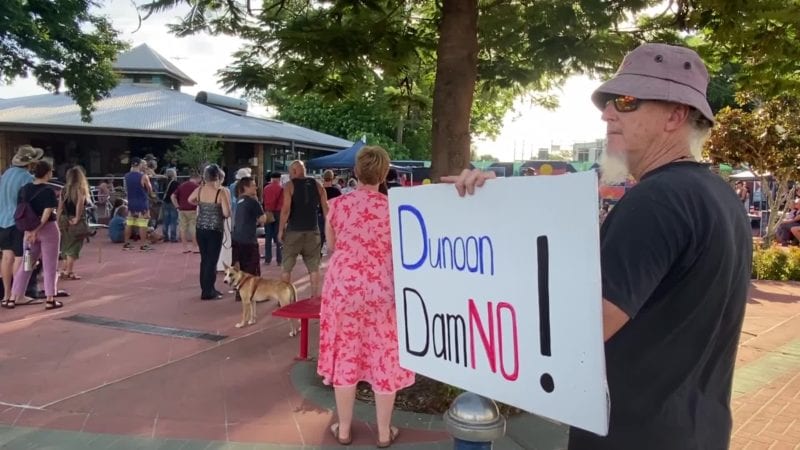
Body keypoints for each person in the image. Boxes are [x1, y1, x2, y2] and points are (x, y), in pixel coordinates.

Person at [444, 43, 751, 450]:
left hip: (634, 435)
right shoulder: (718, 196)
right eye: (609, 102)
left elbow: (577, 333)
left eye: (626, 101)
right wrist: (499, 209)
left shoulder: (658, 200)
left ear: (676, 115)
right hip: (696, 431)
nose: (607, 114)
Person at [318, 146, 414, 447]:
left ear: (356, 172)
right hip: (382, 287)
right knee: (384, 355)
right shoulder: (394, 208)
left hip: (343, 287)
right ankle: (384, 433)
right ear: (385, 174)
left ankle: (344, 429)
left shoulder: (338, 205)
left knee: (346, 353)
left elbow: (332, 247)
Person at [4, 160, 62, 310]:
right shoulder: (48, 191)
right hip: (47, 230)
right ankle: (50, 298)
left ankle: (12, 297)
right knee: (50, 264)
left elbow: (21, 211)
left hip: (27, 232)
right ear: (48, 173)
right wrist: (37, 230)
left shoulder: (24, 189)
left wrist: (29, 231)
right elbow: (46, 214)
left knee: (26, 264)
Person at [278, 160, 328, 297]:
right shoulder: (318, 185)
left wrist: (281, 230)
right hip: (313, 230)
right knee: (314, 267)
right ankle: (314, 296)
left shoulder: (289, 186)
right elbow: (326, 209)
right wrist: (328, 228)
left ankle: (284, 297)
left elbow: (286, 210)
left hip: (294, 230)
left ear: (294, 171)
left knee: (287, 266)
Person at [0, 145, 41, 306]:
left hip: (2, 221)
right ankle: (18, 294)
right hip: (18, 221)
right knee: (21, 257)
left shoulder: (5, 174)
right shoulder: (27, 178)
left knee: (6, 257)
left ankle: (6, 294)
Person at [189, 164, 231, 300]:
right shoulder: (221, 191)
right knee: (212, 261)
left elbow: (190, 199)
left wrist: (202, 205)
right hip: (214, 229)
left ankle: (206, 288)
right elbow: (226, 212)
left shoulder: (200, 189)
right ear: (218, 176)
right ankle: (208, 291)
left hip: (200, 228)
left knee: (204, 259)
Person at [231, 177, 267, 300]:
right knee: (252, 267)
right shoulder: (252, 202)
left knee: (241, 266)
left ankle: (240, 292)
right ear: (246, 187)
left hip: (237, 238)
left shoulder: (239, 201)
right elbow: (263, 219)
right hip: (248, 240)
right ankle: (252, 293)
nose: (255, 187)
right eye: (253, 185)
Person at [57, 166, 90, 280]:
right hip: (73, 219)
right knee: (74, 246)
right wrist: (77, 217)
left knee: (66, 244)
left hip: (64, 218)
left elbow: (60, 207)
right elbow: (80, 203)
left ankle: (64, 269)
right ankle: (69, 271)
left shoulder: (64, 189)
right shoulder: (80, 189)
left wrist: (57, 219)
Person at [123, 157, 154, 251]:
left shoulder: (127, 175)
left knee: (129, 223)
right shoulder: (143, 176)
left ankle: (126, 243)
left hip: (131, 201)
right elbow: (150, 189)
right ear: (139, 164)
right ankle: (143, 245)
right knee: (143, 223)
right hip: (141, 201)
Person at [173, 172, 200, 254]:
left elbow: (173, 196)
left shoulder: (182, 185)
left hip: (182, 210)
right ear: (196, 178)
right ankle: (195, 247)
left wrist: (177, 206)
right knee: (193, 228)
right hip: (193, 209)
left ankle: (184, 247)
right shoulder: (197, 187)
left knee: (182, 228)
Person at [262, 172, 283, 265]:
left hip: (268, 213)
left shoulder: (266, 188)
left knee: (268, 237)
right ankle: (279, 260)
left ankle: (267, 259)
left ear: (271, 179)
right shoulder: (282, 188)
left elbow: (263, 200)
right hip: (278, 213)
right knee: (279, 236)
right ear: (279, 178)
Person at [319, 169, 341, 256]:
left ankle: (318, 254)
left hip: (320, 215)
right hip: (332, 216)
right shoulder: (336, 191)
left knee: (320, 237)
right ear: (332, 178)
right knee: (333, 236)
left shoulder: (319, 190)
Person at [160, 168, 180, 243]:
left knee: (165, 220)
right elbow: (177, 194)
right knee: (173, 220)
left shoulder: (165, 182)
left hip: (165, 202)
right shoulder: (175, 183)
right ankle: (173, 237)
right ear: (174, 174)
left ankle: (165, 237)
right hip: (173, 202)